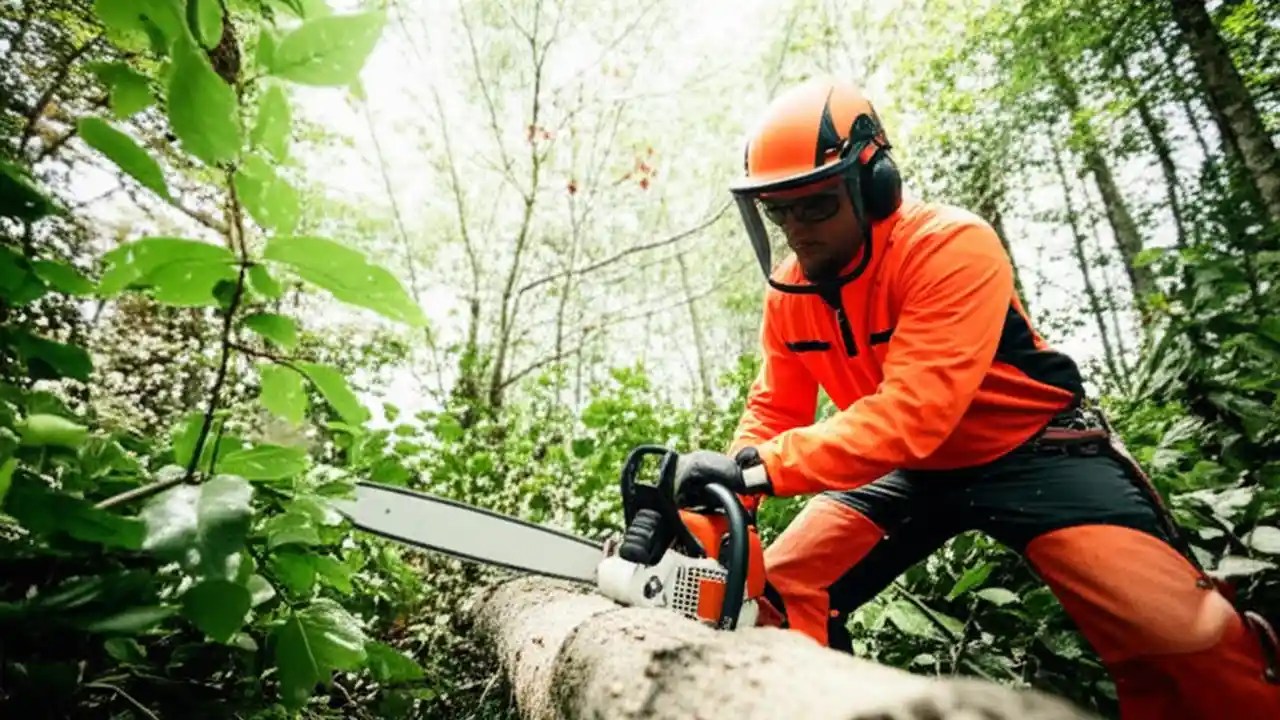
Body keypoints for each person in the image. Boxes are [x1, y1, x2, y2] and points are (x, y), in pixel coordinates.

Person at [670, 76, 1280, 719]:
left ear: (874, 186)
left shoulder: (948, 247)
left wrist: (762, 466)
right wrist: (729, 485)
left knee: (1180, 637)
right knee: (772, 592)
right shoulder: (790, 295)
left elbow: (915, 412)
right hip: (902, 472)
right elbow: (775, 410)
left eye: (815, 205)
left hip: (1033, 452)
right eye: (779, 210)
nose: (796, 228)